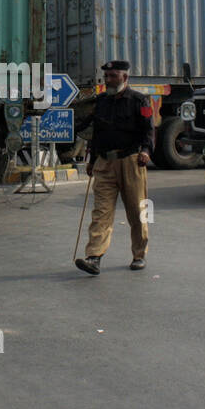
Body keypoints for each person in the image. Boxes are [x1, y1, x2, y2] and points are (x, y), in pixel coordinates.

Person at [75, 60, 155, 275]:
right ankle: (94, 257)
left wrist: (146, 151)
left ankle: (140, 254)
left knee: (139, 212)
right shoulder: (102, 102)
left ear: (124, 77)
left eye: (113, 76)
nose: (108, 81)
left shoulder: (140, 101)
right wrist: (92, 162)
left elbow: (148, 130)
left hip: (131, 162)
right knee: (101, 212)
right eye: (106, 76)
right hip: (104, 163)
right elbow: (96, 133)